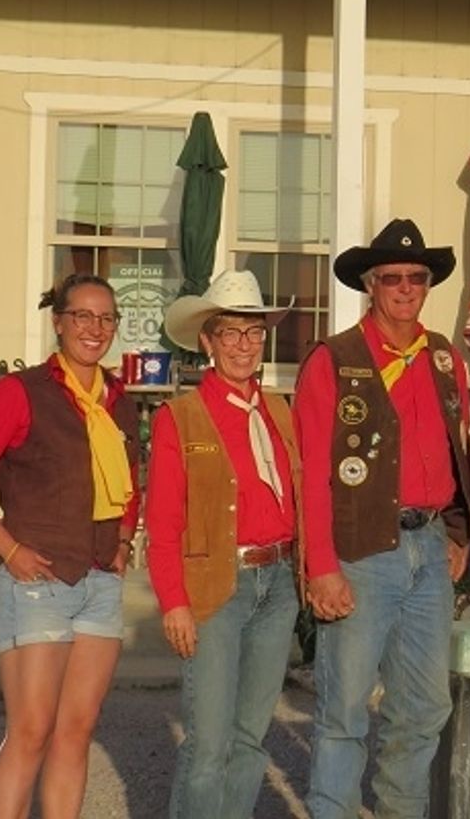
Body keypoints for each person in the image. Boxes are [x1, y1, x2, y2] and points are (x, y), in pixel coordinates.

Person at [293, 218, 470, 819]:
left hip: (428, 548)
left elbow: (457, 447)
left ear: (428, 284)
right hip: (362, 551)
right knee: (344, 710)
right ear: (370, 284)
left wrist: (458, 530)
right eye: (391, 277)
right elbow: (314, 473)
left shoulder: (446, 359)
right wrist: (321, 566)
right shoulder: (334, 358)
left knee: (423, 708)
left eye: (415, 277)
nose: (404, 287)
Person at [0, 273, 140, 819]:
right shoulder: (19, 392)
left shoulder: (118, 400)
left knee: (75, 732)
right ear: (58, 322)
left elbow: (130, 484)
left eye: (106, 318)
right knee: (31, 731)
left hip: (99, 580)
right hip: (36, 582)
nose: (94, 328)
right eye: (82, 315)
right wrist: (10, 550)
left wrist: (123, 540)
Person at [146, 269, 299, 819]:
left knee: (251, 736)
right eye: (230, 333)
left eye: (253, 332)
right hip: (214, 589)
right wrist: (174, 602)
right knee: (209, 742)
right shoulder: (180, 418)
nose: (243, 345)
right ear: (207, 341)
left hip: (279, 584)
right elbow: (162, 523)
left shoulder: (282, 409)